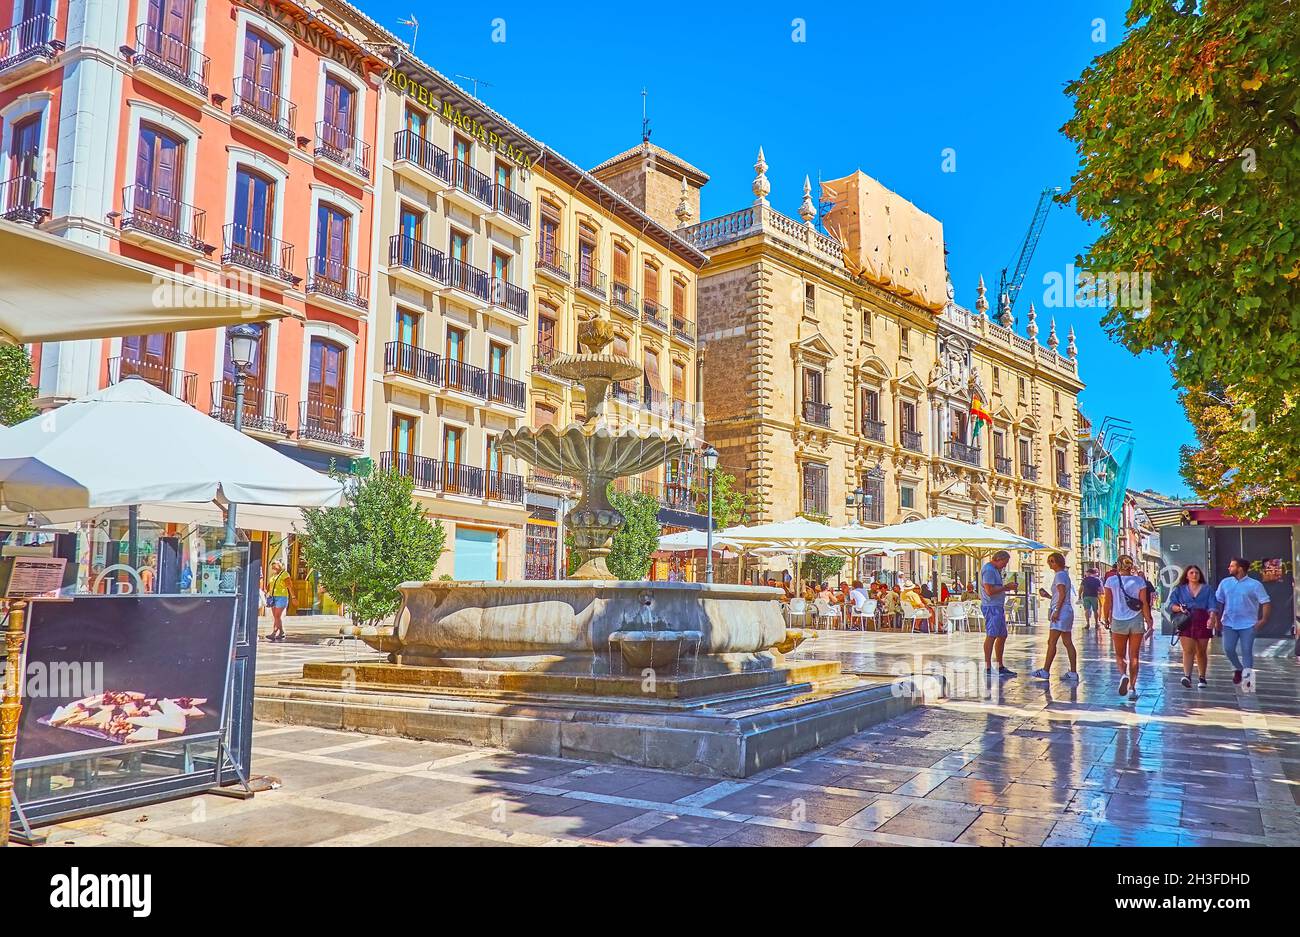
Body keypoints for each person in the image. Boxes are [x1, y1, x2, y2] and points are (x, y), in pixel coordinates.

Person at [1212, 557, 1271, 689]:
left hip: (1248, 624)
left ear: (1240, 568)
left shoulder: (1255, 585)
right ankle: (1238, 668)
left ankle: (1248, 680)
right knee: (1228, 649)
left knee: (1246, 651)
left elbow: (1266, 602)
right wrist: (1216, 619)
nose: (1229, 568)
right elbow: (1218, 601)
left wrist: (1263, 619)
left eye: (1232, 566)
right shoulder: (1225, 583)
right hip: (1228, 622)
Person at [1104, 554, 1152, 700]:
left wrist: (1105, 618)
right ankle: (1132, 688)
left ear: (1118, 566)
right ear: (1131, 566)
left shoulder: (1111, 580)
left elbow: (1107, 602)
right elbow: (1143, 602)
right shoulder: (1139, 581)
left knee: (1119, 655)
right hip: (1136, 619)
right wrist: (1148, 619)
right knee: (1134, 656)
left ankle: (1123, 675)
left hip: (1118, 620)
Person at [1031, 552, 1079, 681]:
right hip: (1067, 611)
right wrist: (1049, 597)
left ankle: (1046, 670)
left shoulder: (1059, 576)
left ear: (1057, 562)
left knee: (1051, 642)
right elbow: (1061, 595)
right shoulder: (1064, 575)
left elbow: (1062, 594)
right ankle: (1073, 672)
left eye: (1051, 561)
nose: (1049, 563)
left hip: (1061, 612)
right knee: (1067, 642)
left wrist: (1057, 610)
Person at [1166, 564, 1214, 688]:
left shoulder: (1207, 589)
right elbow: (1171, 605)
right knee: (1188, 650)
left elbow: (1212, 605)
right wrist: (1179, 608)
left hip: (1202, 620)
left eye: (1196, 573)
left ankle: (1202, 677)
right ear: (1186, 575)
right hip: (1186, 620)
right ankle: (1187, 676)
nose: (1194, 575)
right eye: (1191, 573)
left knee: (1201, 651)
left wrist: (1212, 617)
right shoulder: (1180, 589)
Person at [980, 551, 1017, 676]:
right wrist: (1006, 587)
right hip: (991, 606)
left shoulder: (995, 570)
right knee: (991, 635)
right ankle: (988, 666)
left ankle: (1000, 665)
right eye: (1004, 563)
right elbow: (989, 590)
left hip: (997, 606)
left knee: (1002, 635)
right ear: (998, 559)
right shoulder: (989, 570)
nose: (1004, 566)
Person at [265, 560, 291, 642]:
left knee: (277, 616)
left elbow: (289, 585)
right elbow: (269, 586)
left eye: (275, 566)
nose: (273, 568)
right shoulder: (273, 576)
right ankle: (281, 632)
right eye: (272, 566)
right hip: (273, 597)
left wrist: (293, 597)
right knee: (276, 617)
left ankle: (274, 633)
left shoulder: (285, 574)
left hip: (282, 597)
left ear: (280, 566)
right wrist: (266, 593)